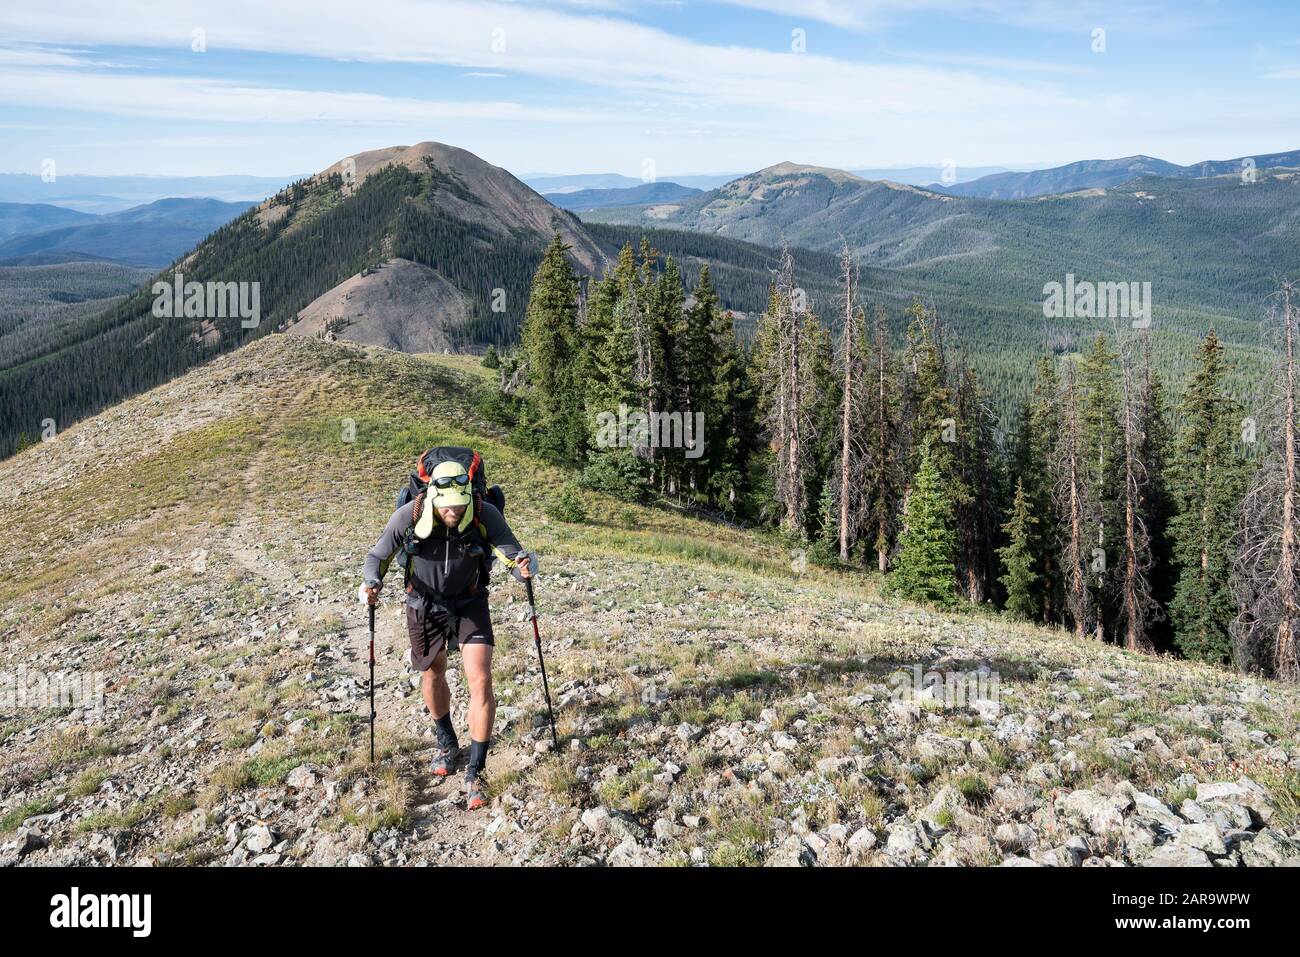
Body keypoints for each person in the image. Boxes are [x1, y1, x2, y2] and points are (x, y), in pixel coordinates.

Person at [363, 460, 534, 810]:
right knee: (433, 672)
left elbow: (514, 557)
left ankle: (477, 770)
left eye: (460, 505)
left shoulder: (484, 513)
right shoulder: (409, 515)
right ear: (433, 499)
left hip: (470, 601)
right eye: (447, 507)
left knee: (481, 680)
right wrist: (371, 583)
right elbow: (377, 556)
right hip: (422, 603)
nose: (454, 512)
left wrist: (525, 569)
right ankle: (446, 740)